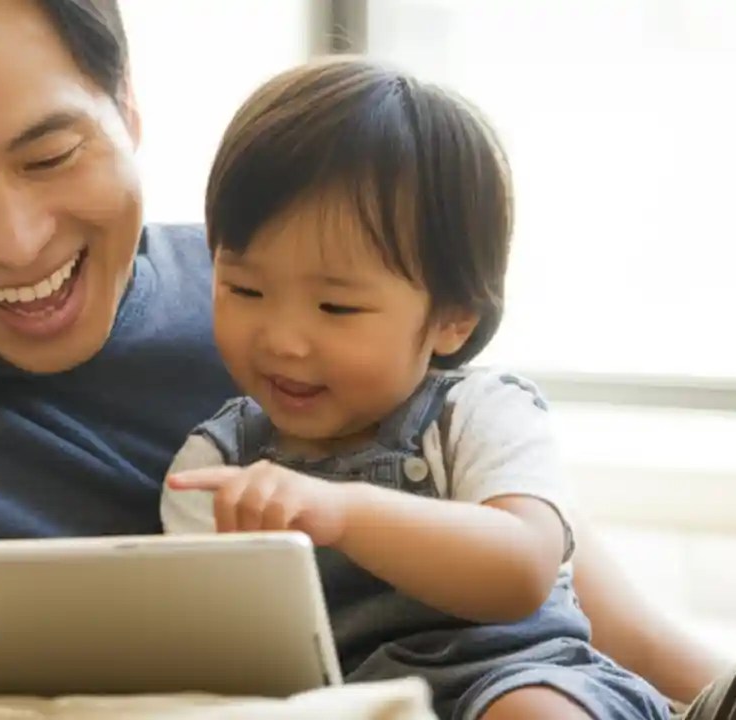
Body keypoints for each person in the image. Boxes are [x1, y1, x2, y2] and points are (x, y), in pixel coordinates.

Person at [0, 1, 736, 719]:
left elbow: (597, 622)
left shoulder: (302, 302)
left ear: (127, 102)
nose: (18, 239)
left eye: (48, 154)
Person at [160, 56, 671, 720]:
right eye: (245, 290)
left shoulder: (480, 414)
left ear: (453, 317)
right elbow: (210, 655)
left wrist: (344, 514)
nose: (283, 339)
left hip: (515, 676)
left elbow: (522, 568)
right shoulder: (217, 465)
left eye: (336, 308)